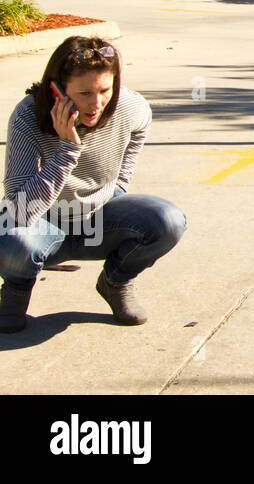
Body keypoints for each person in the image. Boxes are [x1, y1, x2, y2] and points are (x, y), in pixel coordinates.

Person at [0, 36, 186, 333]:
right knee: (12, 241)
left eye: (105, 90)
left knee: (168, 220)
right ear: (57, 90)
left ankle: (116, 282)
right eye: (84, 93)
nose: (96, 103)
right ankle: (16, 289)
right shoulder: (28, 116)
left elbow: (134, 143)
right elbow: (21, 210)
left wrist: (118, 188)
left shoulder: (131, 107)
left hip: (98, 219)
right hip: (43, 220)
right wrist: (67, 150)